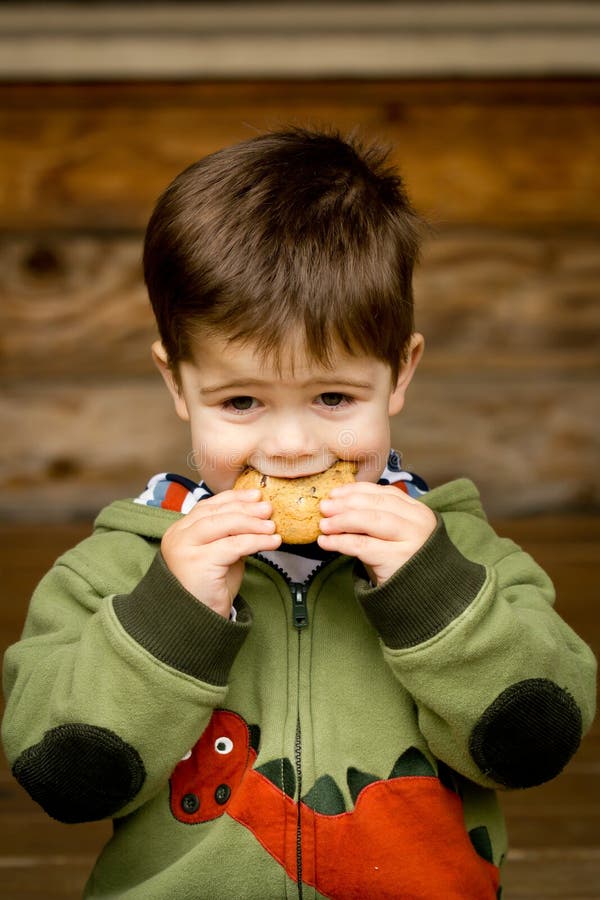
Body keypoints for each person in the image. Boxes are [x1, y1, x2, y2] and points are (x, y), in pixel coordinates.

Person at [2, 127, 596, 900]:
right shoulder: (114, 570)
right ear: (178, 382)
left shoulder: (467, 558)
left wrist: (437, 598)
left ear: (400, 373)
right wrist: (168, 618)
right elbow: (65, 781)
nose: (290, 447)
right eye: (241, 401)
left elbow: (534, 745)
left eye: (333, 397)